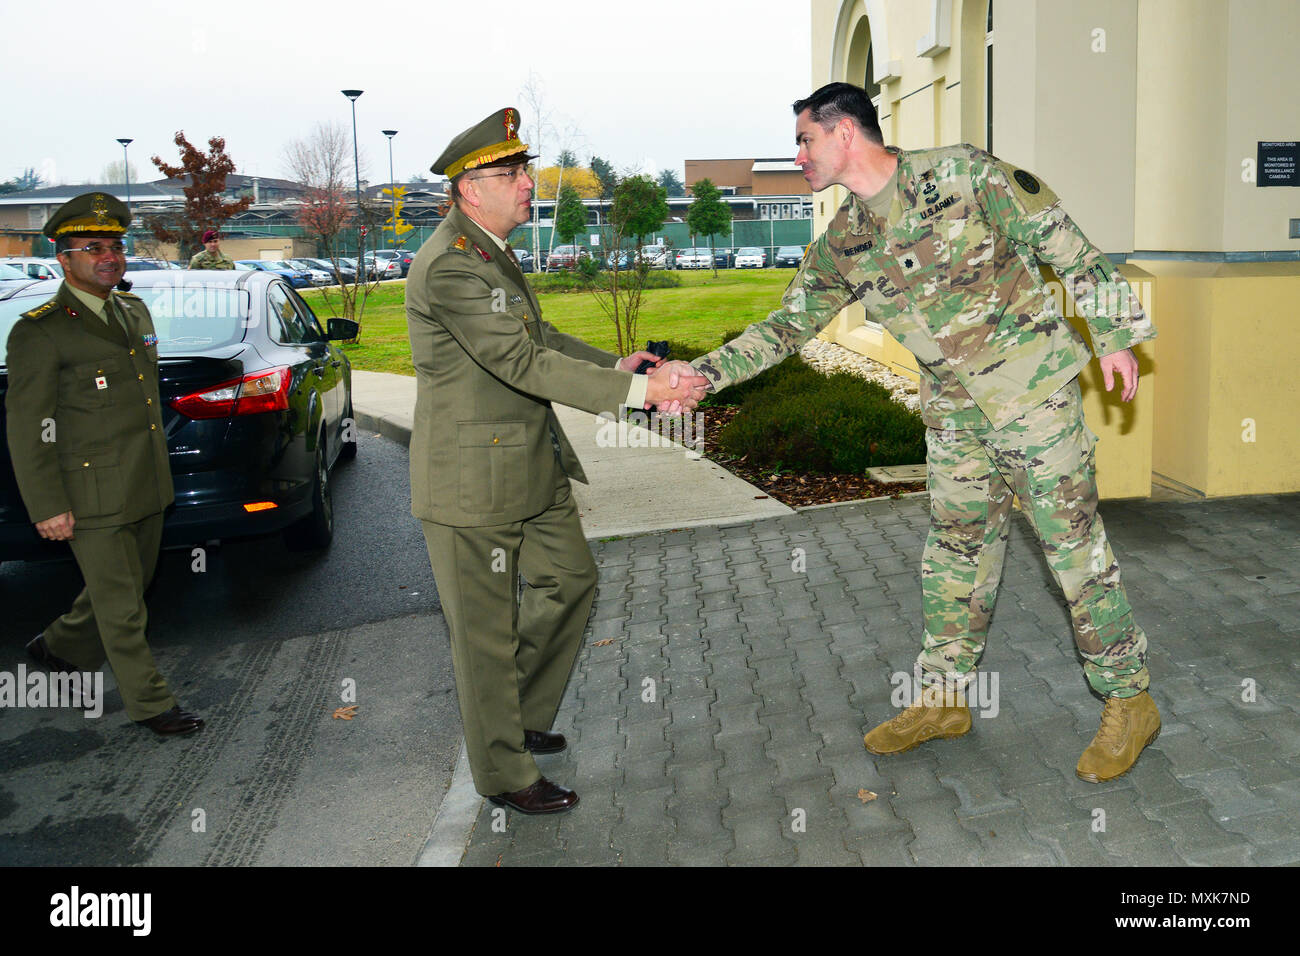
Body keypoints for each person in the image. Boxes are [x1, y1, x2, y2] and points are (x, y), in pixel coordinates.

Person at [691, 82, 1159, 783]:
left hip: (1033, 397)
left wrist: (1116, 332)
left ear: (845, 132)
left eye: (805, 140)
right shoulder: (846, 240)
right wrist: (698, 377)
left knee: (1074, 556)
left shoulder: (963, 174)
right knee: (954, 559)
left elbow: (1062, 240)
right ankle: (943, 700)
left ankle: (1130, 701)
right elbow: (785, 327)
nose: (798, 156)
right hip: (955, 416)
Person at [408, 108, 707, 814]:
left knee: (570, 581)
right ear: (467, 187)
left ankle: (517, 718)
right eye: (510, 173)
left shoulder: (488, 249)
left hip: (529, 466)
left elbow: (537, 336)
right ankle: (504, 773)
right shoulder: (450, 264)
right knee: (484, 635)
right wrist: (641, 390)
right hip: (469, 486)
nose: (527, 184)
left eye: (523, 169)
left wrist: (614, 363)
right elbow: (516, 360)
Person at [6, 192, 203, 736]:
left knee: (128, 587)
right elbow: (29, 427)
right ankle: (151, 705)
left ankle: (59, 646)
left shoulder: (133, 310)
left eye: (115, 245)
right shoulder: (40, 330)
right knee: (122, 608)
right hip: (88, 494)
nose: (109, 256)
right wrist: (47, 506)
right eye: (92, 247)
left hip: (144, 482)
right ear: (62, 259)